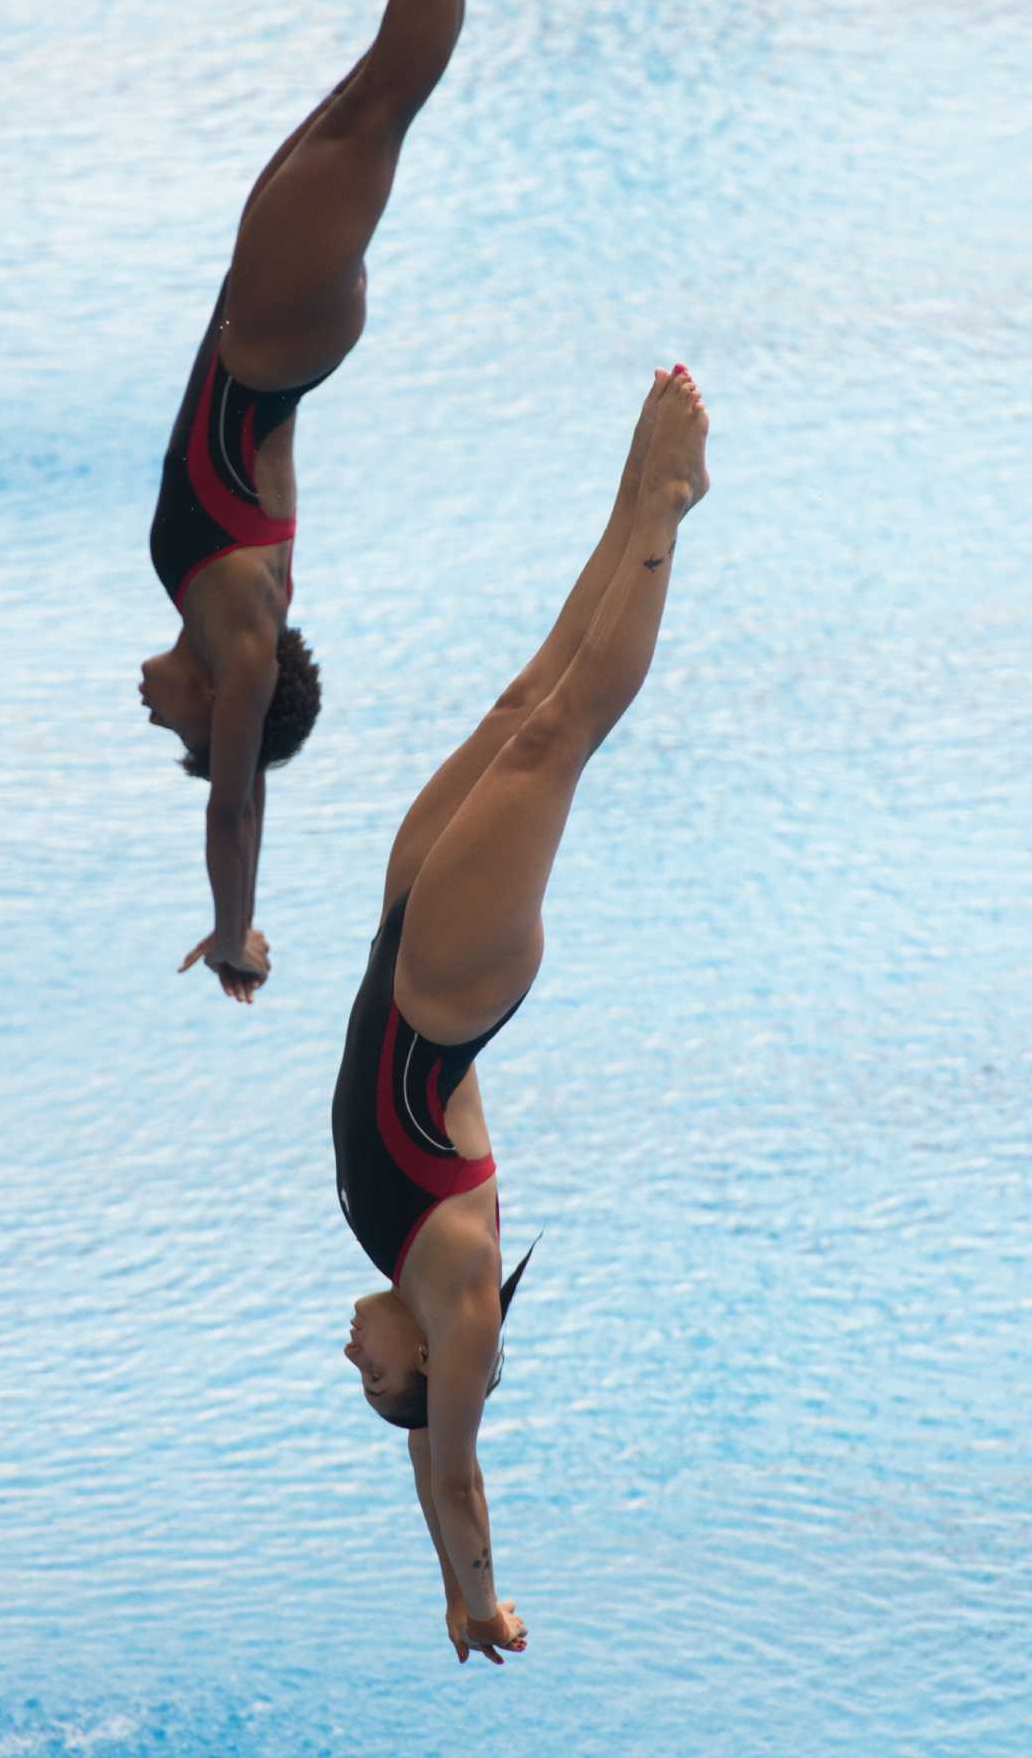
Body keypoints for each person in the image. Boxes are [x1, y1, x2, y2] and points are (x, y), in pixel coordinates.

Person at [333, 367, 711, 1664]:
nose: (353, 1363)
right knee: (561, 736)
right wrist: (469, 1600)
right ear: (424, 1373)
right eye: (374, 1383)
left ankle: (636, 498)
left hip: (401, 939)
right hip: (447, 987)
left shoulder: (406, 1265)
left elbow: (430, 1453)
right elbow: (451, 1479)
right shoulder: (462, 1309)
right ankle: (662, 508)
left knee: (521, 705)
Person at [143, 0, 502, 1004]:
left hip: (273, 320)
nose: (161, 726)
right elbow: (237, 803)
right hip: (278, 332)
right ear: (220, 712)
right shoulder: (238, 639)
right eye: (181, 741)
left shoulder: (219, 609)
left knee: (367, 100)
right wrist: (232, 927)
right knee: (382, 103)